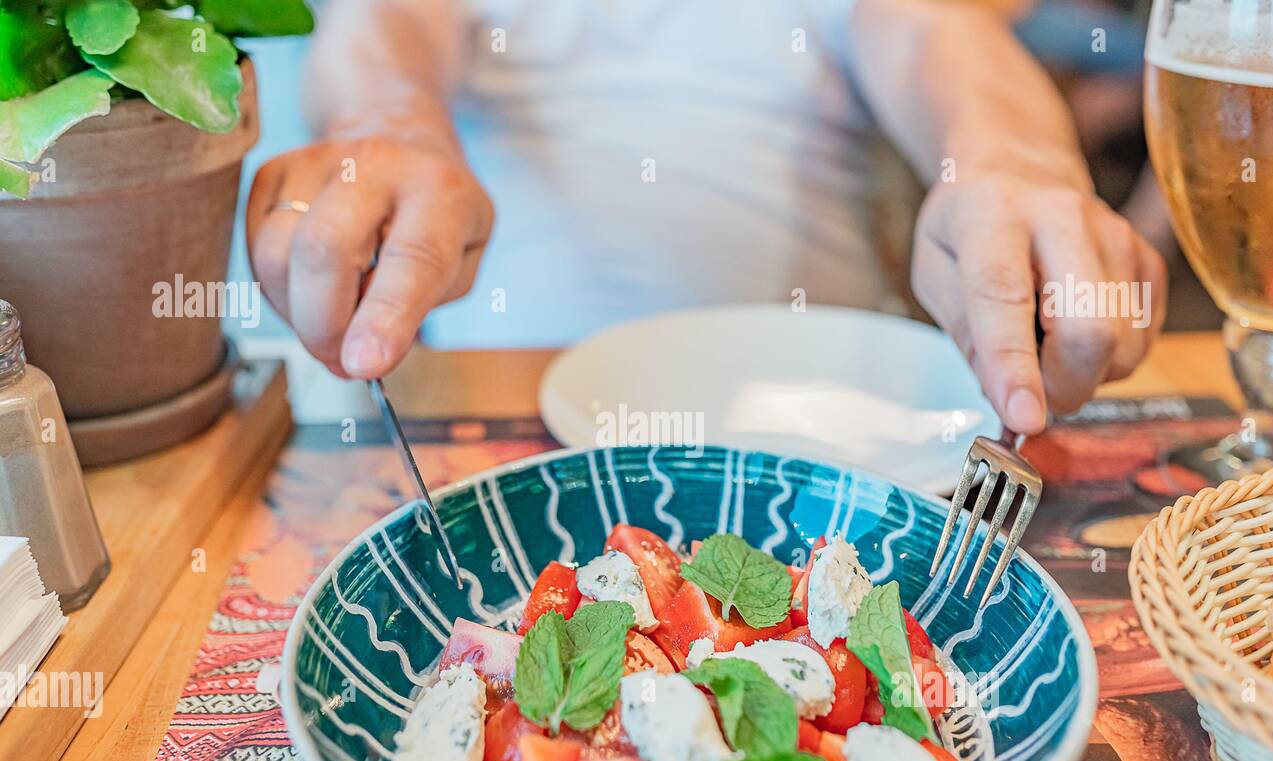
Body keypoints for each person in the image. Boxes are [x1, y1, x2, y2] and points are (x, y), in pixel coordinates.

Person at [246, 0, 1166, 436]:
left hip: (835, 431)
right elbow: (386, 24)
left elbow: (931, 27)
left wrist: (1015, 165)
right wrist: (387, 129)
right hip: (501, 416)